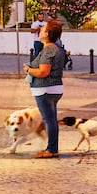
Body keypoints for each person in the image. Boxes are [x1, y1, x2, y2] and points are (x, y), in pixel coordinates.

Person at [23, 18, 67, 158]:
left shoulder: (49, 49)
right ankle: (52, 148)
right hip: (54, 88)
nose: (41, 30)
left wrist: (29, 70)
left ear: (48, 34)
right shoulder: (57, 48)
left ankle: (52, 150)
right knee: (51, 119)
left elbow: (43, 72)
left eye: (43, 29)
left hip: (45, 89)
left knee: (49, 120)